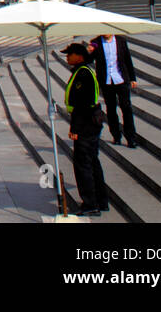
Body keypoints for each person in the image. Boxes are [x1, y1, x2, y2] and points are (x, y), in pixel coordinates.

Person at [63, 42, 108, 216]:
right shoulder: (81, 71)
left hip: (86, 124)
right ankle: (100, 201)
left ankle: (90, 203)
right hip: (90, 122)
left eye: (70, 54)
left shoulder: (83, 74)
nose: (67, 57)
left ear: (79, 56)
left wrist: (75, 127)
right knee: (92, 162)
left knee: (84, 164)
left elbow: (82, 104)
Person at [89, 34, 140, 148]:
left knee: (126, 108)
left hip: (121, 79)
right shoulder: (96, 42)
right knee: (111, 109)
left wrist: (132, 78)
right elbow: (89, 60)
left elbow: (127, 59)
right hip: (106, 81)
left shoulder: (121, 41)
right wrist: (90, 51)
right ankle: (116, 136)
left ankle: (131, 138)